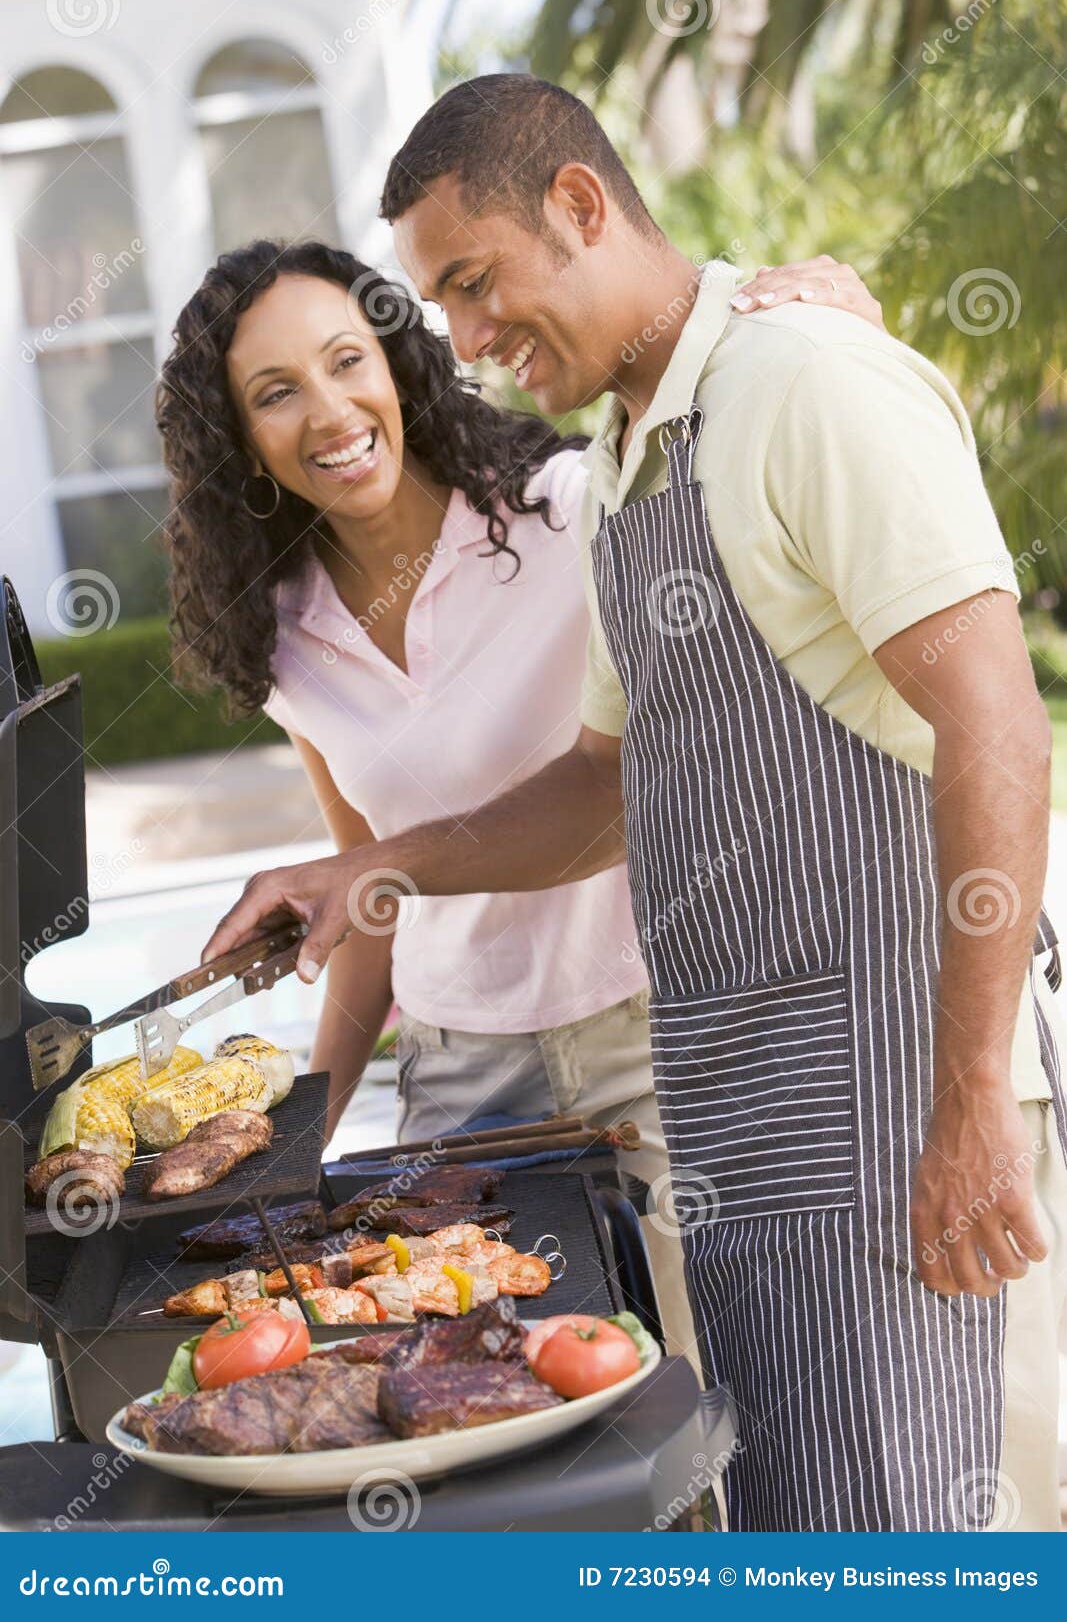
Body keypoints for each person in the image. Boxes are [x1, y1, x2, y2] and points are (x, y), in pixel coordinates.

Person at [203, 75, 1067, 1532]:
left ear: (582, 207)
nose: (463, 343)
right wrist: (374, 872)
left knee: (923, 1533)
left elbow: (996, 723)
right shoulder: (625, 466)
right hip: (746, 1121)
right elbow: (603, 785)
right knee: (801, 1533)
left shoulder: (800, 385)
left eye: (471, 285)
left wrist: (975, 1098)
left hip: (890, 1103)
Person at [162, 234, 876, 1356]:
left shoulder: (567, 512)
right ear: (243, 443)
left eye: (349, 360)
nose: (330, 410)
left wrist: (808, 314)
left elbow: (740, 449)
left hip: (651, 1036)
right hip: (461, 1081)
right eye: (276, 392)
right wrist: (301, 1130)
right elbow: (371, 907)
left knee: (706, 1391)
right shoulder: (284, 638)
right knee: (483, 1407)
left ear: (399, 367)